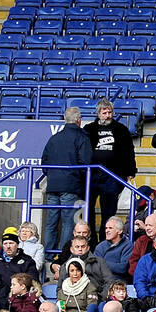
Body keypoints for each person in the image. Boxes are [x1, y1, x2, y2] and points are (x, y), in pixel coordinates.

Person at [41, 108, 93, 257]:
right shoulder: (82, 138)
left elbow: (44, 161)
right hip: (71, 186)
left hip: (53, 186)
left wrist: (52, 175)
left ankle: (49, 255)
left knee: (51, 222)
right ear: (79, 120)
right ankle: (64, 256)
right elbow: (86, 163)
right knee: (68, 223)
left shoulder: (54, 138)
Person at [85, 99, 138, 226]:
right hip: (92, 176)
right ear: (98, 113)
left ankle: (106, 240)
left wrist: (130, 171)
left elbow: (129, 151)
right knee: (88, 210)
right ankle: (91, 240)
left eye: (110, 112)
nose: (108, 115)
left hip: (112, 176)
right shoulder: (89, 129)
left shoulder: (121, 129)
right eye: (104, 113)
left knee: (109, 212)